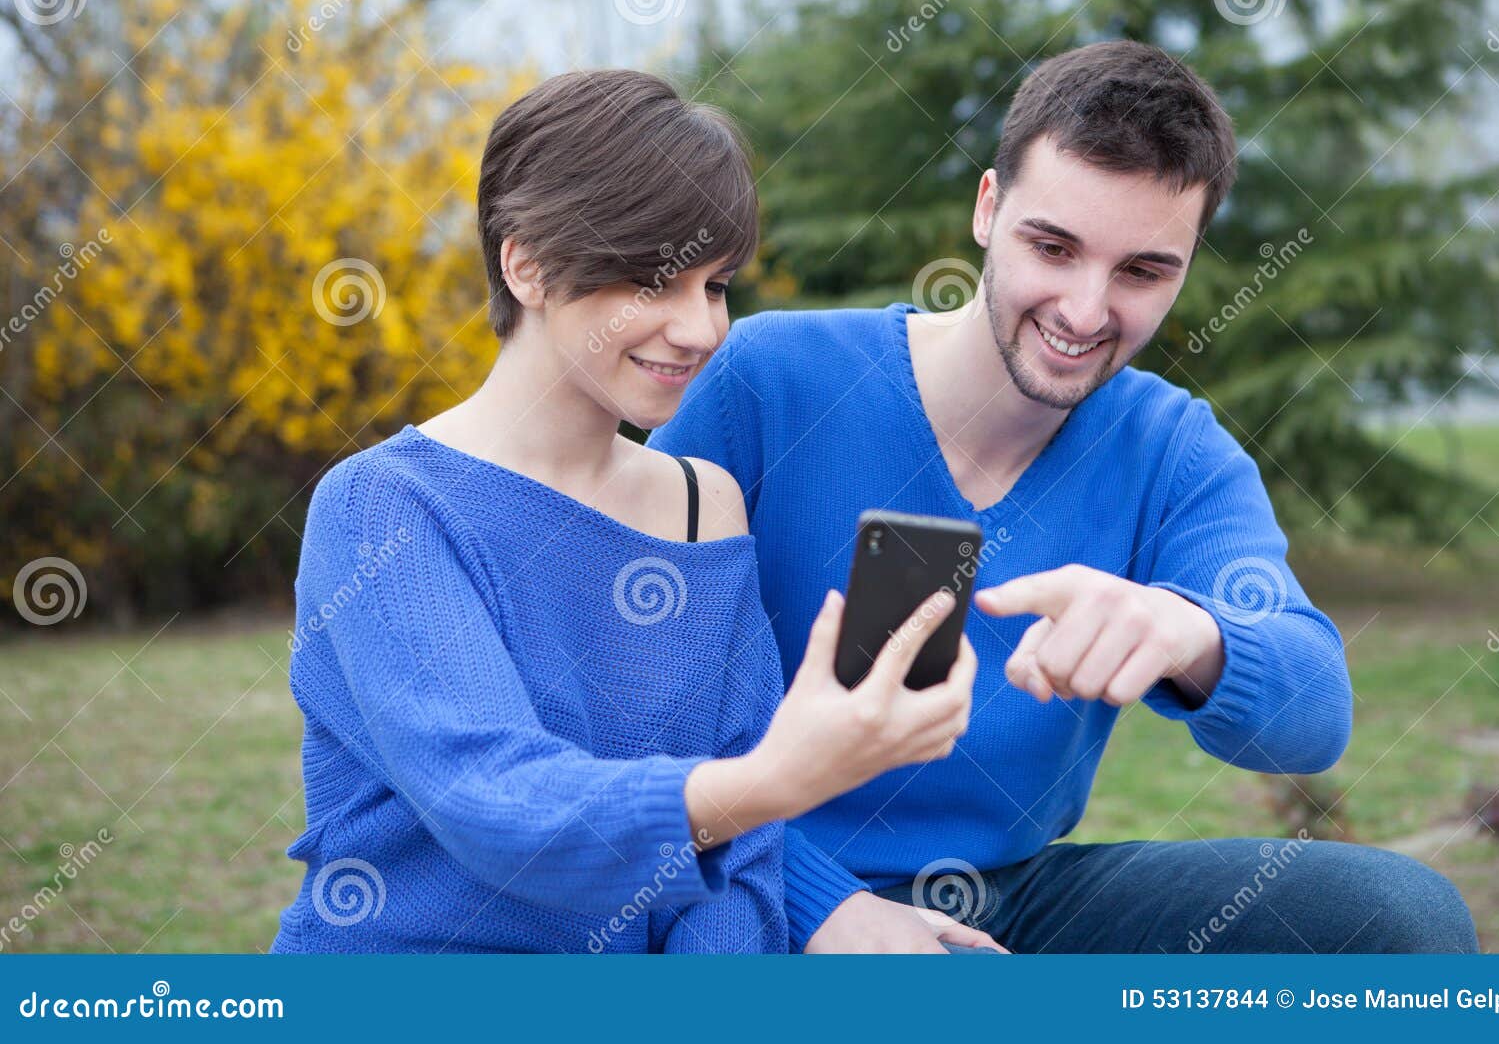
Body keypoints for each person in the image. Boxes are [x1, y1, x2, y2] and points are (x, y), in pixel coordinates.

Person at [650, 40, 1479, 954]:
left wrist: (1185, 631)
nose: (1085, 313)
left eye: (1142, 271)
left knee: (1400, 919)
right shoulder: (769, 383)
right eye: (1054, 247)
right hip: (755, 891)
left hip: (1012, 909)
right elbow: (622, 707)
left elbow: (1314, 710)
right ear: (987, 209)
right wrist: (825, 908)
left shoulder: (1171, 450)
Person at [271, 69, 993, 953]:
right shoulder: (385, 505)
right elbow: (499, 805)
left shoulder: (702, 504)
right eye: (656, 281)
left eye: (717, 285)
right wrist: (769, 778)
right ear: (525, 264)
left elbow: (737, 871)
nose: (700, 329)